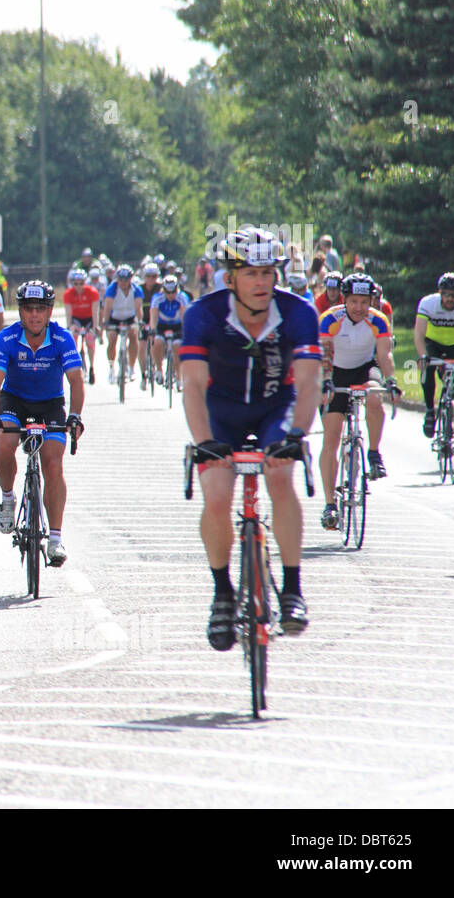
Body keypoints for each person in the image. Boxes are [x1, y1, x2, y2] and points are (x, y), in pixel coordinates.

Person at [181, 227, 321, 650]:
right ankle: (223, 593)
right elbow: (192, 385)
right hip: (219, 412)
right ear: (230, 279)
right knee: (218, 494)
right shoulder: (202, 315)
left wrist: (296, 435)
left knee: (280, 478)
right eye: (251, 274)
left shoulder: (299, 313)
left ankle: (293, 589)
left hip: (274, 408)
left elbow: (311, 382)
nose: (262, 283)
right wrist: (205, 442)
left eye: (268, 273)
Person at [0, 281, 85, 565]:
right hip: (14, 401)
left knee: (53, 462)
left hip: (50, 403)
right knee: (4, 443)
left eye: (40, 309)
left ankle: (55, 538)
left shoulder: (62, 338)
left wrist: (75, 415)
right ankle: (7, 498)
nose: (34, 315)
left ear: (50, 311)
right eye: (28, 309)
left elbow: (76, 380)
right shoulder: (6, 338)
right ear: (21, 312)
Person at [317, 273, 398, 528]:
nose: (359, 308)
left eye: (365, 302)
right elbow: (325, 354)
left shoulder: (379, 320)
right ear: (345, 299)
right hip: (335, 371)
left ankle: (373, 453)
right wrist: (326, 381)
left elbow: (384, 355)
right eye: (354, 301)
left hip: (365, 368)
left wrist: (392, 380)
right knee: (331, 436)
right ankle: (330, 504)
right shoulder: (330, 319)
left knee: (375, 398)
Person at [415, 271, 454, 438]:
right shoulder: (428, 303)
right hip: (432, 343)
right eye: (446, 295)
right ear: (439, 293)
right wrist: (423, 356)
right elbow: (419, 334)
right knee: (427, 370)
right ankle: (429, 411)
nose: (450, 299)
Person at [100, 263, 143, 384]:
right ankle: (111, 367)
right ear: (117, 279)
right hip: (114, 317)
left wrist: (139, 322)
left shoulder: (136, 289)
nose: (123, 282)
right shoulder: (112, 289)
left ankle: (131, 368)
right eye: (120, 279)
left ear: (130, 279)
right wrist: (105, 322)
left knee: (133, 336)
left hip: (130, 317)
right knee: (112, 338)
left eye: (126, 279)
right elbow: (107, 308)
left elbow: (139, 309)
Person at [149, 273, 190, 388]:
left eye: (173, 292)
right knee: (157, 342)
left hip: (177, 326)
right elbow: (153, 316)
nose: (171, 295)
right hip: (162, 325)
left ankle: (178, 378)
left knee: (177, 347)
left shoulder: (182, 297)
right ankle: (158, 369)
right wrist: (152, 329)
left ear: (177, 289)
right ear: (163, 290)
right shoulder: (157, 298)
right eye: (168, 292)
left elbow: (184, 316)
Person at [62, 268, 101, 385]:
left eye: (81, 283)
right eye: (76, 284)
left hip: (89, 318)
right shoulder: (68, 294)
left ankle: (91, 367)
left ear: (85, 282)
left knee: (90, 339)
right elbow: (68, 313)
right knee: (73, 335)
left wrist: (95, 327)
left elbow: (95, 312)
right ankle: (75, 365)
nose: (78, 286)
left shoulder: (93, 292)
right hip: (76, 319)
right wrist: (69, 326)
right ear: (72, 283)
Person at [138, 261, 163, 390]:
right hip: (143, 319)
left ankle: (158, 366)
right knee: (141, 348)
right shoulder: (139, 289)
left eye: (154, 276)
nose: (151, 279)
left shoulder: (162, 288)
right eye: (148, 276)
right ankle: (143, 375)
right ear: (144, 276)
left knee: (157, 342)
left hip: (156, 319)